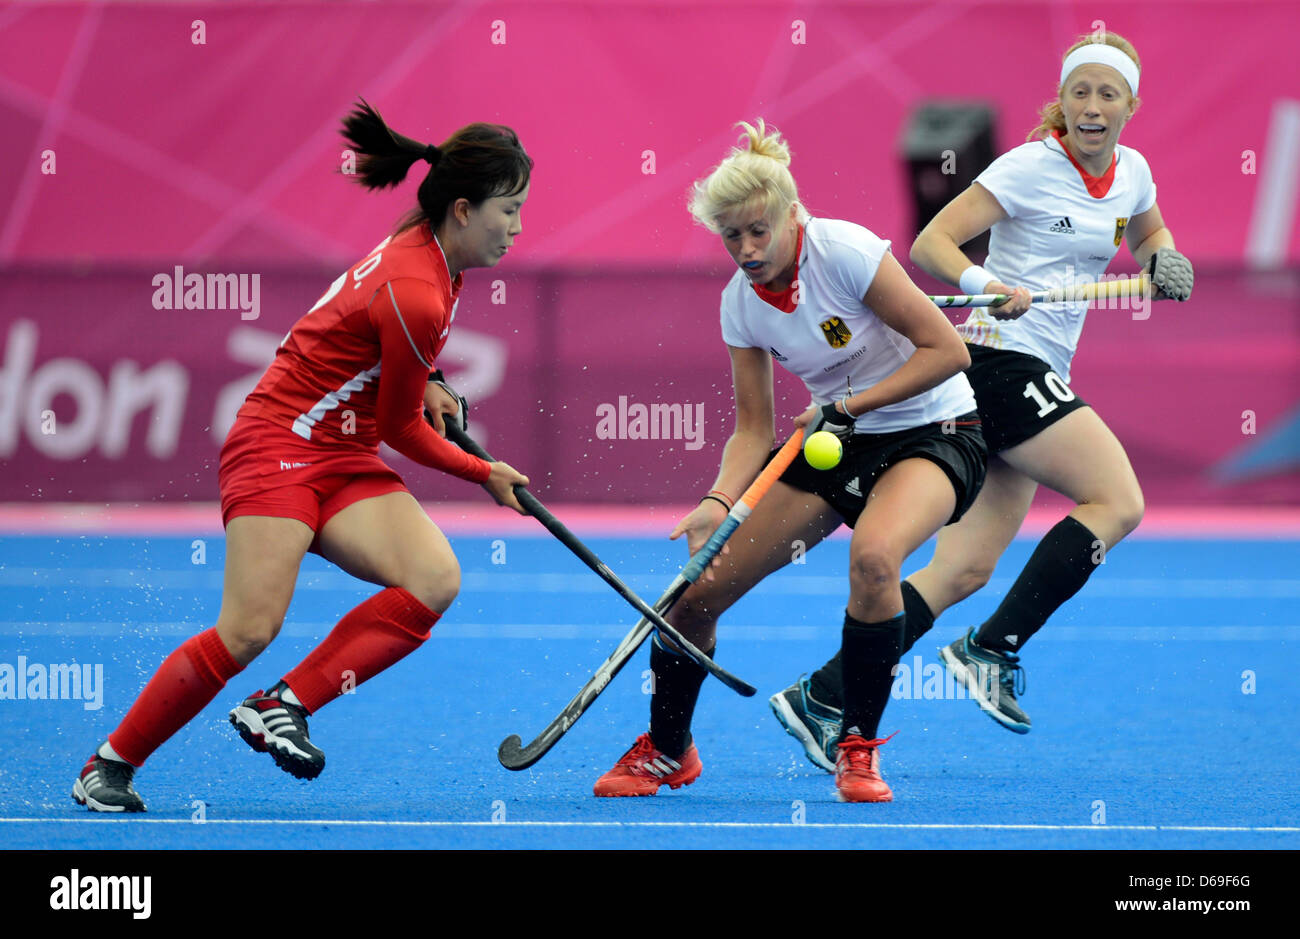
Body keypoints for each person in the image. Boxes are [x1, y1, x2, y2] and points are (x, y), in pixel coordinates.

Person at [72, 100, 533, 812]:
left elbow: (379, 360)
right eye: (511, 210)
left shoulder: (435, 255)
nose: (518, 228)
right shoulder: (419, 287)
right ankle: (109, 764)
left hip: (339, 453)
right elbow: (404, 431)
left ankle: (283, 704)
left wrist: (433, 380)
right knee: (250, 627)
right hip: (277, 445)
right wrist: (485, 474)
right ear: (466, 209)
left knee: (433, 576)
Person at [772, 31, 1194, 770]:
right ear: (1062, 102)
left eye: (1107, 93)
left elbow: (1148, 228)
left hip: (1039, 371)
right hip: (999, 358)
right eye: (1079, 92)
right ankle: (991, 649)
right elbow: (933, 243)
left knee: (963, 572)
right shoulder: (1030, 167)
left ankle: (825, 692)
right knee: (1118, 501)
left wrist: (1164, 258)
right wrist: (984, 286)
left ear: (1132, 104)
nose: (1092, 106)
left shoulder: (1134, 173)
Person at [592, 120, 987, 802]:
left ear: (789, 216)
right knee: (697, 592)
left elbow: (948, 352)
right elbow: (753, 429)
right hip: (835, 437)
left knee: (875, 557)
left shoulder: (845, 252)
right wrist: (717, 501)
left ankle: (856, 747)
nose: (746, 250)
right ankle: (668, 748)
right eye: (731, 237)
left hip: (937, 428)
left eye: (757, 231)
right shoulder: (739, 306)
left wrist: (852, 404)